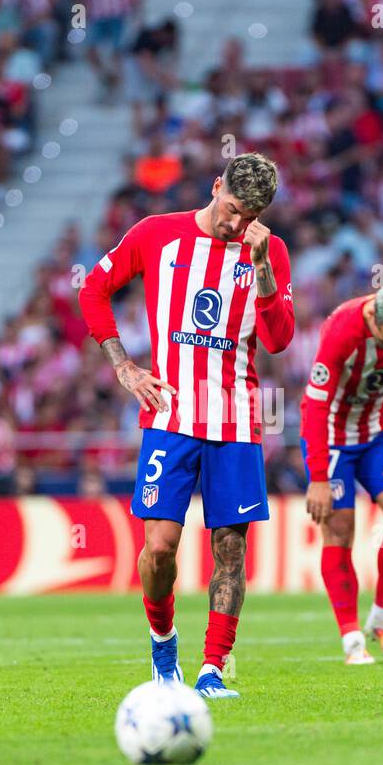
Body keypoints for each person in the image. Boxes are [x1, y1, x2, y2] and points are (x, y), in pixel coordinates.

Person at [77, 153, 293, 698]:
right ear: (216, 187)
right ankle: (163, 645)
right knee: (160, 549)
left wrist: (263, 264)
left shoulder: (268, 251)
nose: (236, 224)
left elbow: (279, 339)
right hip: (170, 416)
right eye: (232, 209)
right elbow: (92, 290)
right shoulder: (158, 235)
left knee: (230, 549)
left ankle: (213, 669)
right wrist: (123, 365)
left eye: (250, 216)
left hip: (237, 420)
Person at [299, 284, 383, 664]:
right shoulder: (342, 329)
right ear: (372, 316)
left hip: (379, 432)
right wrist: (320, 477)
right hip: (332, 436)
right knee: (340, 529)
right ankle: (350, 636)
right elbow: (316, 406)